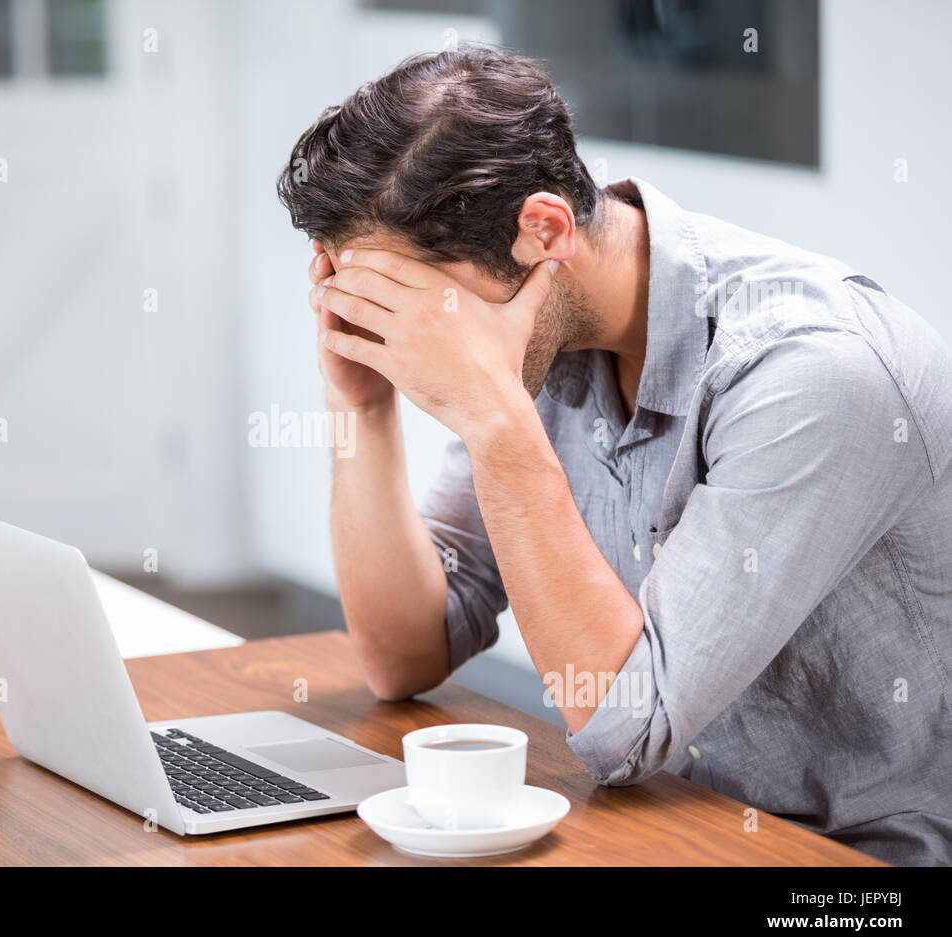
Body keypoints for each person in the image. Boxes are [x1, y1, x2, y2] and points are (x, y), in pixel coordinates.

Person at [276, 44, 952, 865]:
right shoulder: (537, 338)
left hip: (853, 870)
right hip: (667, 824)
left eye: (414, 305)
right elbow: (404, 655)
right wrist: (363, 404)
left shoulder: (812, 372)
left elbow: (627, 726)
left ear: (544, 230)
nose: (402, 337)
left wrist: (495, 420)